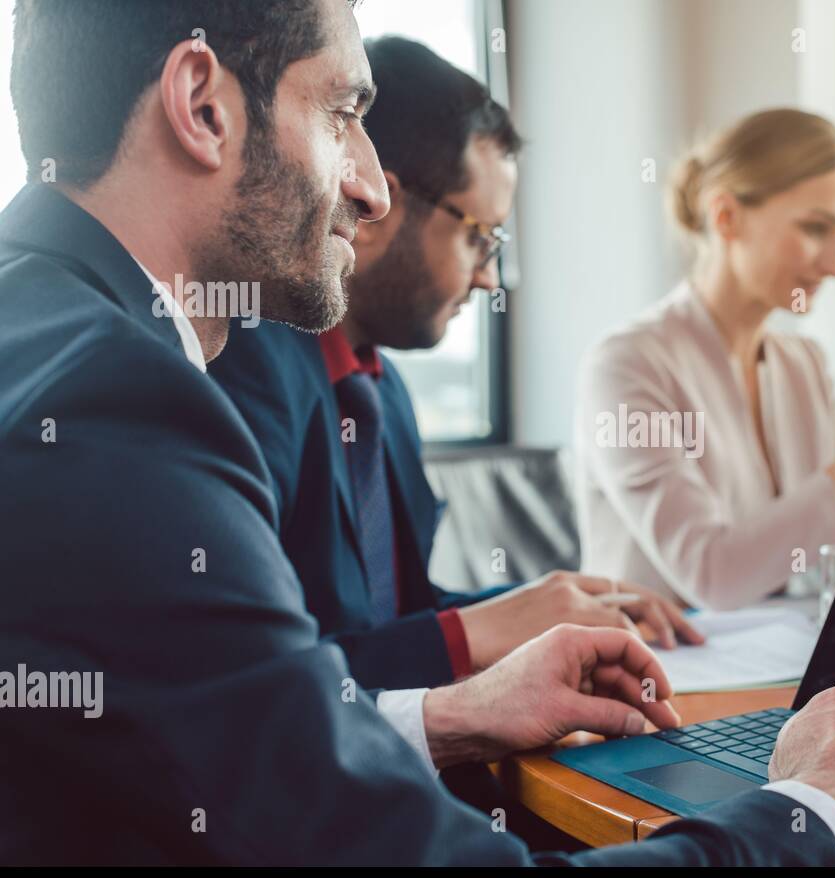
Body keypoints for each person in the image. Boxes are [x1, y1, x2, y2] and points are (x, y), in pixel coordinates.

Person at [0, 0, 835, 866]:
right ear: (204, 105)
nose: (370, 188)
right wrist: (822, 809)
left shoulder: (48, 335)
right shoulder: (120, 402)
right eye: (342, 115)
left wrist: (452, 711)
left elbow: (222, 732)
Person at [210, 37, 701, 714]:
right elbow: (269, 687)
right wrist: (478, 630)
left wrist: (547, 608)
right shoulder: (240, 372)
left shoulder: (384, 394)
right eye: (480, 236)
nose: (489, 277)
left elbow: (397, 621)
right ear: (382, 207)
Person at [574, 108, 835, 611]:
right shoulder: (626, 365)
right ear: (726, 217)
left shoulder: (806, 364)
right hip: (654, 677)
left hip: (776, 669)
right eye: (815, 228)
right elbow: (714, 574)